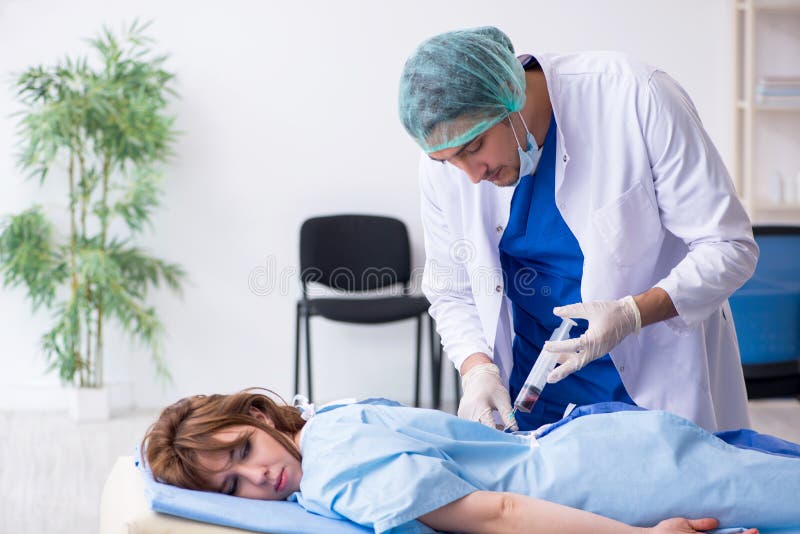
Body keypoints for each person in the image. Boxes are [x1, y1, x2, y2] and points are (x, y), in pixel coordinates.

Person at [397, 27, 759, 432]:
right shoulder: (448, 164)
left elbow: (728, 246)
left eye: (474, 147)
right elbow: (452, 289)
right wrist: (477, 369)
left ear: (508, 94)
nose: (471, 176)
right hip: (536, 394)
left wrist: (631, 314)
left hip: (657, 385)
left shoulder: (635, 96)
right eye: (448, 161)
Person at [142, 389, 800, 534]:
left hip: (611, 486)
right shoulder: (330, 421)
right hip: (607, 447)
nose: (257, 476)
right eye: (231, 483)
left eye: (242, 451)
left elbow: (500, 513)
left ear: (258, 416)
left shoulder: (334, 467)